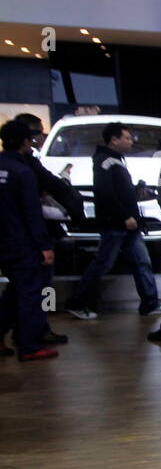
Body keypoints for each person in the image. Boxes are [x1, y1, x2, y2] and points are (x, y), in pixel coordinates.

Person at [65, 122, 161, 320]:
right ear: (114, 139)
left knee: (141, 262)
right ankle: (77, 302)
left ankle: (150, 303)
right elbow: (106, 193)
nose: (131, 141)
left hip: (128, 225)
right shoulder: (105, 161)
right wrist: (124, 216)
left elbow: (118, 191)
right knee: (103, 263)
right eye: (127, 137)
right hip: (116, 225)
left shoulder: (116, 160)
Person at [11, 113, 78, 346]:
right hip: (34, 237)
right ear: (27, 136)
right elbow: (41, 196)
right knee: (40, 286)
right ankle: (37, 330)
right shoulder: (26, 166)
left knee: (21, 289)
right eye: (38, 132)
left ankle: (30, 329)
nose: (41, 137)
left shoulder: (18, 163)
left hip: (18, 238)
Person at [0, 120, 57, 361]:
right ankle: (30, 345)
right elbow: (32, 213)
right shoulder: (23, 172)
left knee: (14, 292)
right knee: (32, 294)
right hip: (22, 243)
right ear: (26, 141)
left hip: (3, 242)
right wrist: (44, 246)